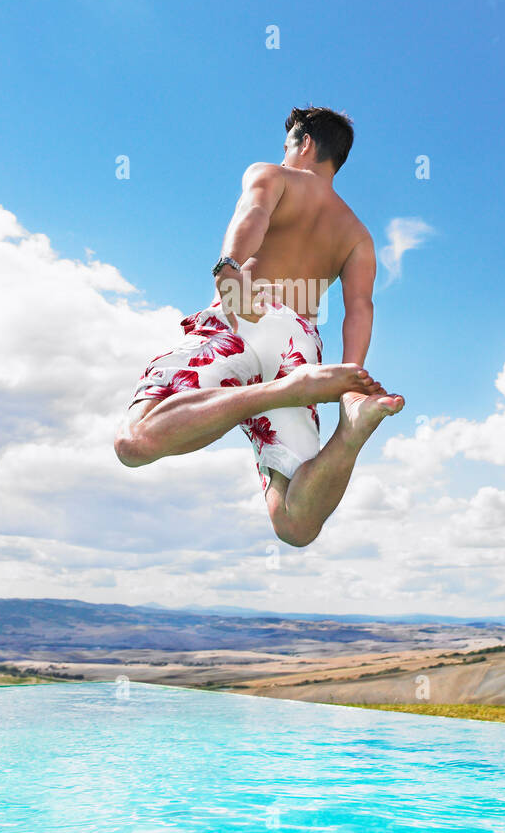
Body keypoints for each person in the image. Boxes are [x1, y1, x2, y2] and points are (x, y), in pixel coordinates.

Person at [115, 107, 404, 546]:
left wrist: (229, 267)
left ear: (305, 143)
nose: (283, 153)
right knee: (295, 524)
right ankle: (348, 433)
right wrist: (349, 383)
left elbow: (254, 212)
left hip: (247, 312)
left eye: (287, 145)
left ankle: (284, 391)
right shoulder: (357, 234)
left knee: (135, 440)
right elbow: (359, 308)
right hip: (300, 346)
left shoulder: (274, 175)